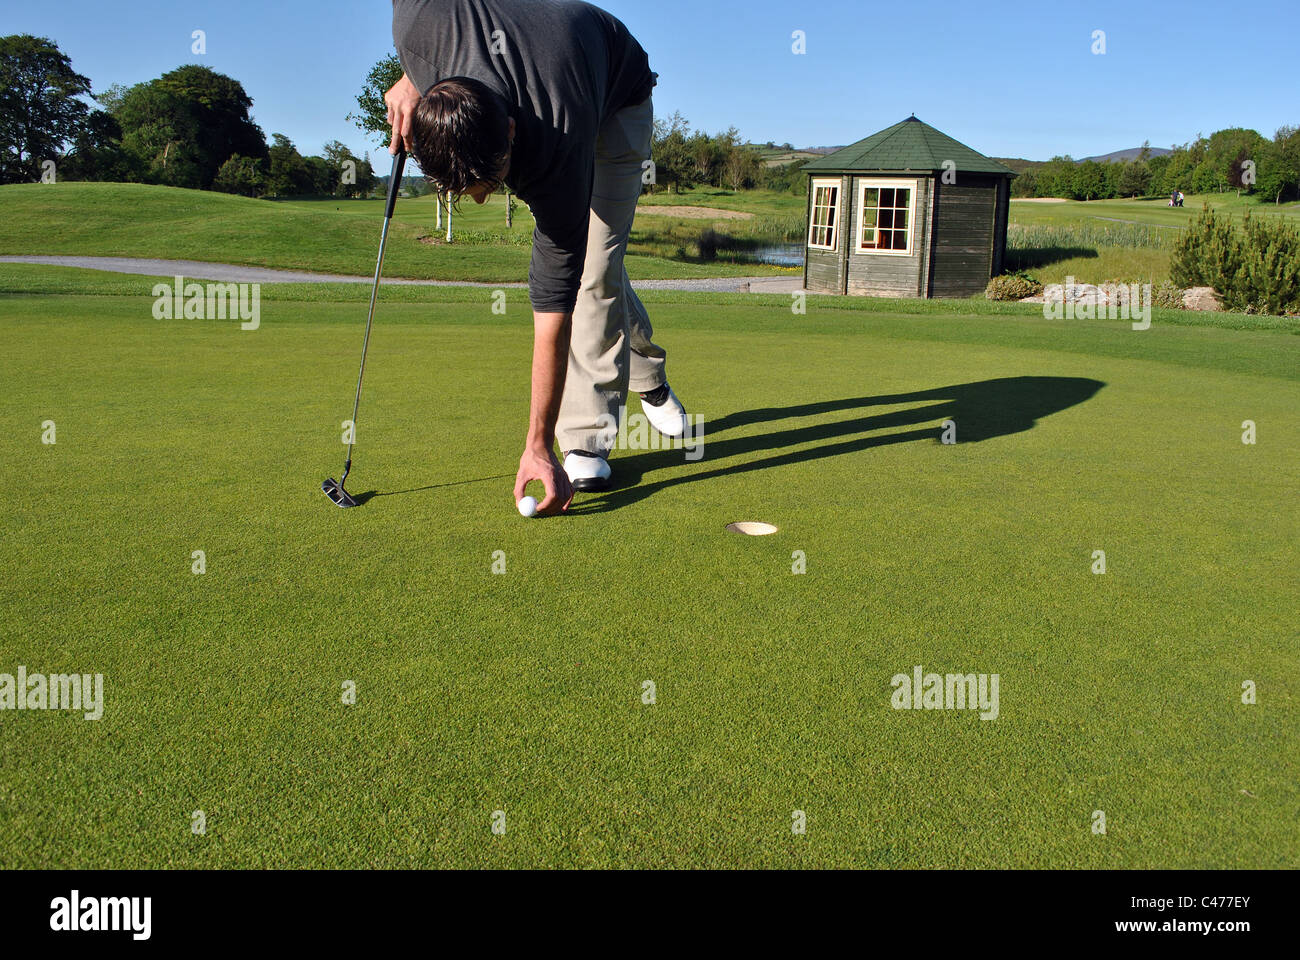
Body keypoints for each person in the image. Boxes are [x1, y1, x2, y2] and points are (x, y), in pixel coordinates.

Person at [386, 0, 689, 515]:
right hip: (531, 70)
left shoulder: (557, 151)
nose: (481, 200)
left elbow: (552, 316)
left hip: (617, 97)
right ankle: (647, 376)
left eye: (489, 182)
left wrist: (536, 444)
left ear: (509, 133)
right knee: (598, 268)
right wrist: (414, 74)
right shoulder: (416, 21)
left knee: (594, 269)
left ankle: (584, 441)